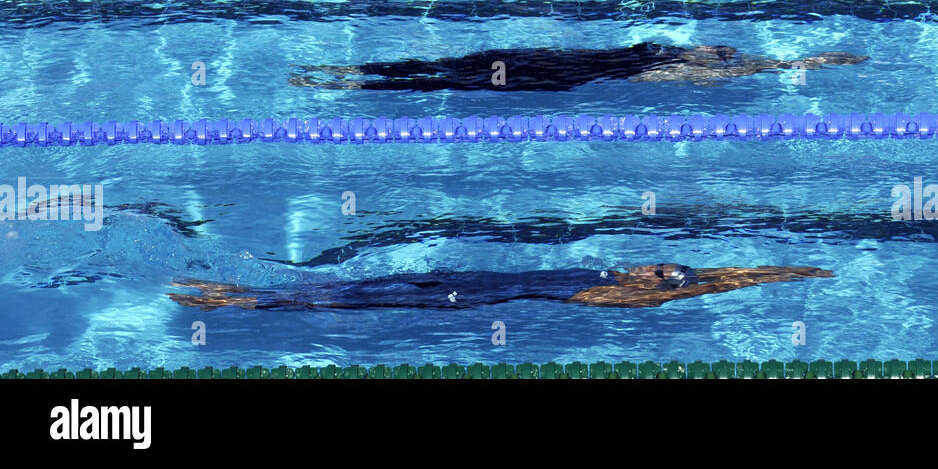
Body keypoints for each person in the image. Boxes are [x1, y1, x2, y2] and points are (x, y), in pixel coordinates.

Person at [170, 263, 833, 310]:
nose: (657, 266)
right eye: (663, 263)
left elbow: (710, 285)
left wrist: (794, 276)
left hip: (480, 298)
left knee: (368, 299)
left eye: (663, 275)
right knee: (362, 283)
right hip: (473, 279)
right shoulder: (615, 275)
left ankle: (243, 301)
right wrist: (789, 267)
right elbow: (719, 271)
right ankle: (237, 290)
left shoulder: (619, 293)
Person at [290, 42, 868, 92]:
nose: (719, 51)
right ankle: (354, 71)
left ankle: (357, 79)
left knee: (447, 77)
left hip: (556, 75)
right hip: (546, 64)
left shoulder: (676, 66)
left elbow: (764, 68)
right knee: (449, 66)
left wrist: (812, 61)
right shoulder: (665, 51)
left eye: (721, 55)